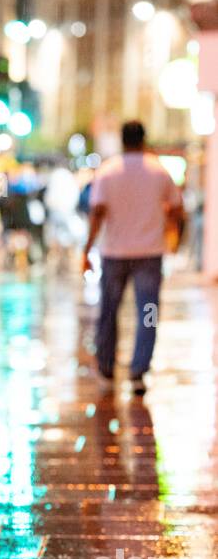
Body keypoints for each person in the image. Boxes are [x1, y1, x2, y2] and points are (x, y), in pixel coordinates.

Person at [82, 120, 184, 395]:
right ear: (143, 138)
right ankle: (139, 369)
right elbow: (177, 209)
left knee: (109, 311)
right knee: (148, 313)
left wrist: (87, 249)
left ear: (122, 140)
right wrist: (171, 234)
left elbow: (97, 213)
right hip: (149, 253)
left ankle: (106, 366)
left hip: (115, 253)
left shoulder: (108, 171)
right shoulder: (159, 171)